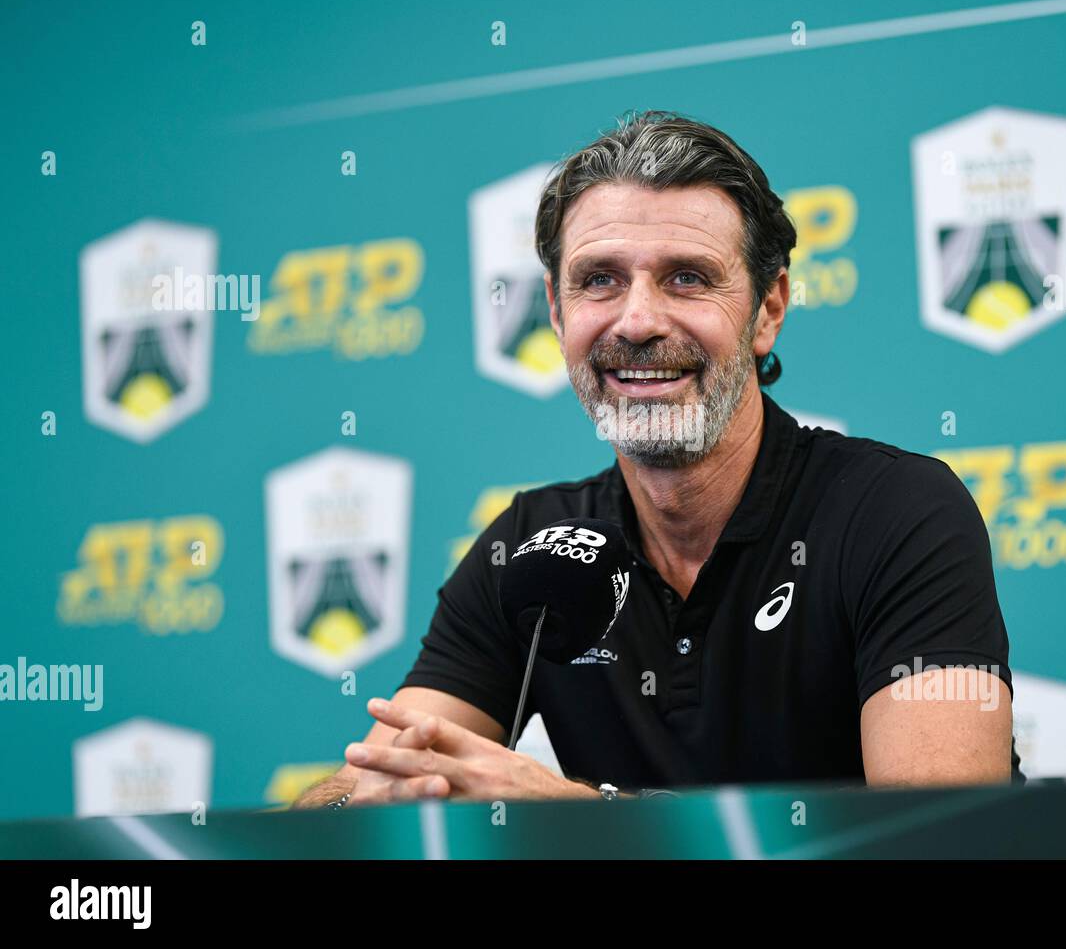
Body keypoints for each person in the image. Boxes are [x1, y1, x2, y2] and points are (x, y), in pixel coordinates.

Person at [295, 110, 1021, 808]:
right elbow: (357, 792)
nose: (637, 321)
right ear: (555, 311)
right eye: (600, 279)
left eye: (687, 278)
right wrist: (359, 807)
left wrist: (584, 824)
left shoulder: (896, 513)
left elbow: (936, 839)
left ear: (768, 309)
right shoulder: (531, 545)